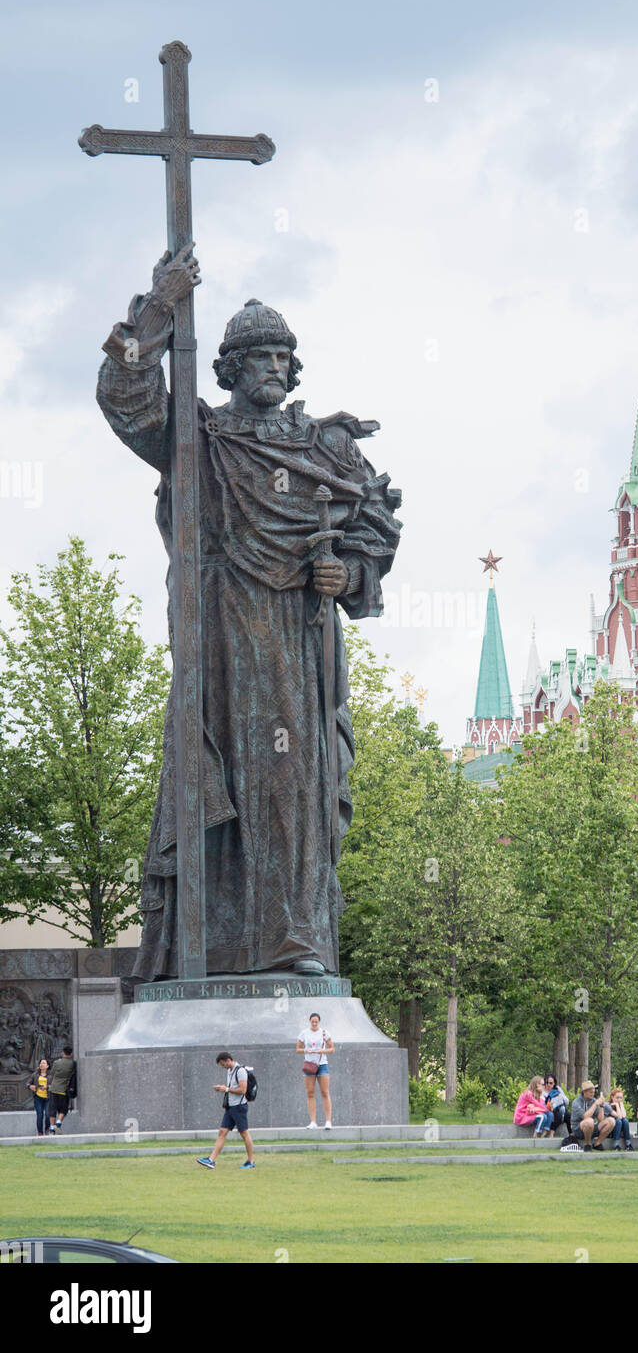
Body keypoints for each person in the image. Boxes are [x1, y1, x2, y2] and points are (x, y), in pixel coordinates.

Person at [97, 252, 402, 981]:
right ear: (227, 369)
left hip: (297, 645)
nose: (272, 365)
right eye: (254, 356)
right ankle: (206, 949)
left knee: (293, 786)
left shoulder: (326, 447)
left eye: (281, 356)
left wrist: (349, 571)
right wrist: (157, 314)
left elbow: (374, 532)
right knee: (215, 785)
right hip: (220, 641)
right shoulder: (197, 440)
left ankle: (294, 941)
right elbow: (128, 401)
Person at [196, 1051, 255, 1169]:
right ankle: (211, 1160)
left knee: (244, 1133)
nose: (222, 1067)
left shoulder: (241, 1071)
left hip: (239, 1107)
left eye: (223, 1064)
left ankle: (251, 1161)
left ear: (228, 1060)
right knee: (222, 1132)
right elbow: (232, 1087)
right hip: (230, 1106)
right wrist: (223, 1088)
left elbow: (243, 1090)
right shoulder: (230, 1071)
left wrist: (226, 1089)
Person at [296, 1013, 335, 1129]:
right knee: (310, 1092)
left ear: (319, 1022)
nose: (314, 1023)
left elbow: (332, 1049)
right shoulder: (304, 1033)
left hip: (321, 1063)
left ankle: (328, 1121)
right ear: (309, 1021)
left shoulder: (324, 1033)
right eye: (312, 1021)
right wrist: (305, 1050)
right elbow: (297, 1049)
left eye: (316, 1022)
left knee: (325, 1092)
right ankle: (313, 1121)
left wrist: (322, 1051)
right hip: (309, 1064)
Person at [565, 1081, 615, 1151]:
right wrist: (595, 1105)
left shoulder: (593, 1100)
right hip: (578, 1130)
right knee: (589, 1121)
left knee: (611, 1121)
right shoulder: (576, 1102)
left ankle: (597, 1143)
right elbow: (585, 1116)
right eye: (591, 1092)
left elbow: (601, 1119)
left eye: (593, 1092)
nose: (593, 1094)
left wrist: (601, 1106)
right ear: (584, 1092)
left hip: (591, 1127)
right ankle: (587, 1144)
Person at [46, 1046, 75, 1134]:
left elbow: (52, 1073)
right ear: (71, 1054)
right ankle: (58, 1123)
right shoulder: (72, 1064)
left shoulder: (56, 1062)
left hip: (54, 1088)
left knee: (52, 1109)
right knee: (63, 1109)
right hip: (63, 1090)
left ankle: (51, 1128)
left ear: (63, 1053)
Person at [27, 1058, 51, 1137]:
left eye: (44, 1063)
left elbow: (54, 1085)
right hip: (38, 1098)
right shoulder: (35, 1074)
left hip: (48, 1098)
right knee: (40, 1115)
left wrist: (47, 1087)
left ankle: (47, 1129)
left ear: (47, 1066)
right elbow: (28, 1083)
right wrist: (30, 1086)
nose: (42, 1064)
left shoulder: (51, 1075)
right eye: (41, 1063)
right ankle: (40, 1132)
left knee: (48, 1114)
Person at [608, 1086, 634, 1151]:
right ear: (612, 1097)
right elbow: (619, 1117)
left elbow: (624, 1116)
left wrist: (621, 1105)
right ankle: (615, 1144)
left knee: (625, 1120)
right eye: (617, 1097)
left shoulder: (620, 1104)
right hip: (610, 1131)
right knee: (618, 1121)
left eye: (620, 1098)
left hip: (619, 1130)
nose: (619, 1099)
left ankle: (628, 1144)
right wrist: (617, 1105)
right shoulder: (608, 1105)